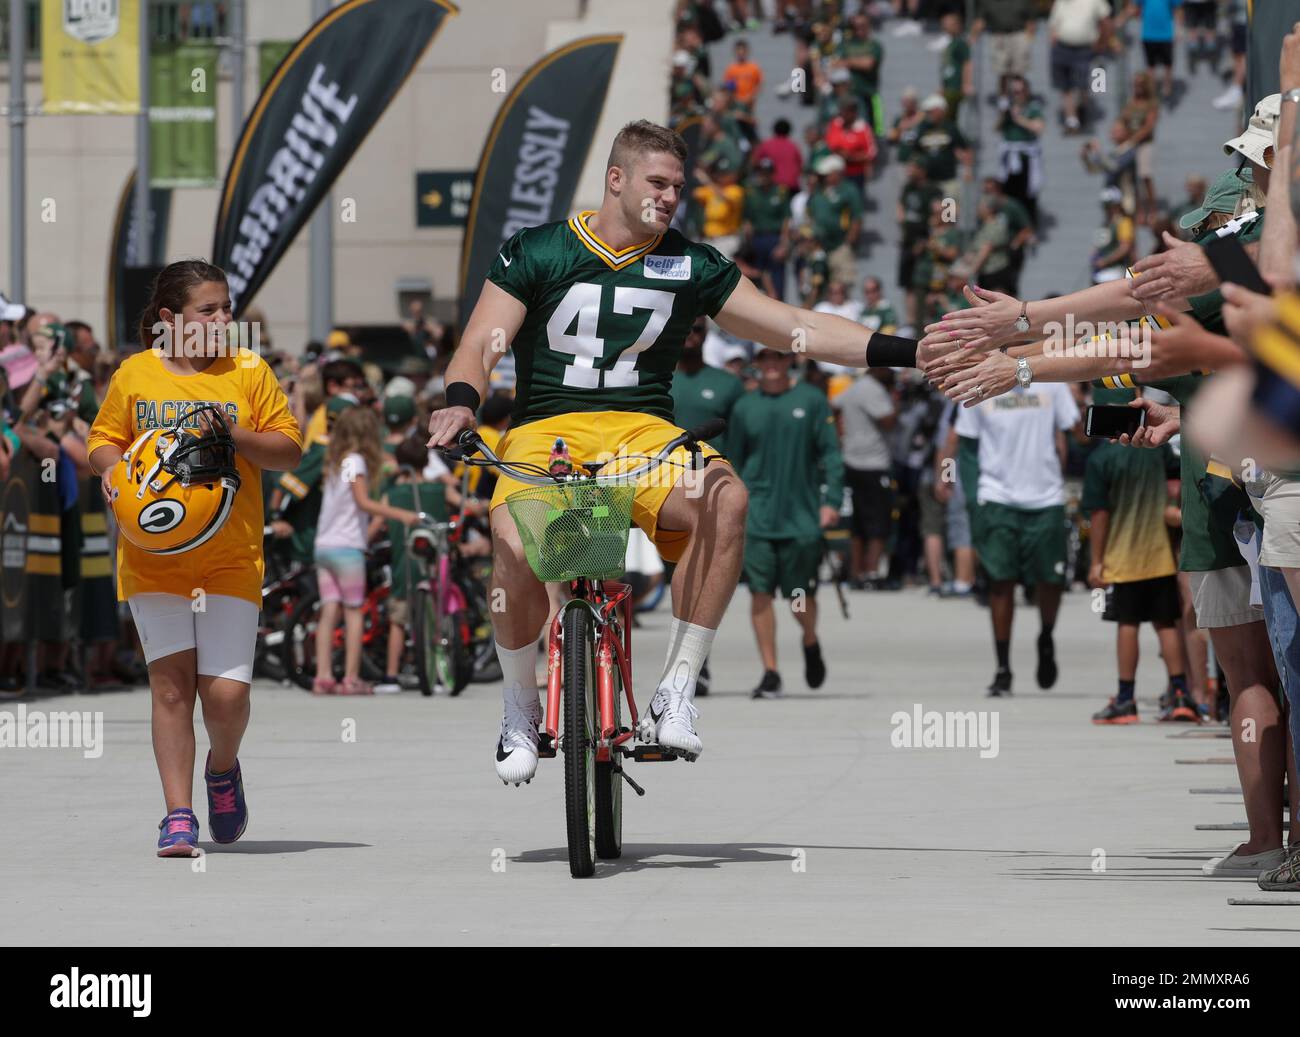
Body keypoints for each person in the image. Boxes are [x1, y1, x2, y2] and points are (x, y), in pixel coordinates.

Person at [426, 119, 923, 785]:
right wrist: (462, 399)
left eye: (678, 187)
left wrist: (911, 351)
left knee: (727, 499)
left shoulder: (691, 262)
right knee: (514, 543)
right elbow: (481, 342)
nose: (669, 197)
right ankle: (520, 704)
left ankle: (676, 690)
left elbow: (795, 327)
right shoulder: (537, 249)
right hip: (549, 429)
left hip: (645, 433)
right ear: (616, 179)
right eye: (656, 183)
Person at [86, 259, 304, 857]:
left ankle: (222, 767)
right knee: (171, 690)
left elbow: (288, 449)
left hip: (231, 557)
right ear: (170, 318)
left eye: (226, 308)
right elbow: (103, 440)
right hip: (153, 559)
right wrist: (112, 474)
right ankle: (177, 815)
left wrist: (231, 434)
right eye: (209, 310)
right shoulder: (135, 374)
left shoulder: (248, 370)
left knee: (226, 696)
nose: (223, 319)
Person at [947, 375, 1080, 697]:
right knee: (1000, 582)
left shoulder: (1052, 380)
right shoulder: (977, 382)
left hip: (1046, 497)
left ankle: (1046, 635)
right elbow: (964, 445)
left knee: (1051, 579)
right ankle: (1003, 668)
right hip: (997, 497)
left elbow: (1071, 432)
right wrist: (970, 498)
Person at [730, 347, 843, 697]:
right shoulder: (745, 407)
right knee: (760, 592)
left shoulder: (811, 400)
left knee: (798, 596)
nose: (772, 365)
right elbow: (732, 462)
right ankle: (771, 671)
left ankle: (809, 638)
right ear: (757, 363)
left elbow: (831, 452)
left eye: (778, 358)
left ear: (788, 361)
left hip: (800, 516)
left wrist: (832, 500)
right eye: (765, 359)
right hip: (758, 517)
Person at [1083, 408, 1192, 724]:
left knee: (1127, 624)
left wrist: (1096, 562)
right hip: (1159, 553)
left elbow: (1099, 514)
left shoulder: (1100, 459)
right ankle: (1181, 695)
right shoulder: (1155, 449)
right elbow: (1175, 480)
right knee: (1166, 623)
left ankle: (1126, 699)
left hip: (1123, 555)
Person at [313, 406, 420, 696]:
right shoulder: (356, 461)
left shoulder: (335, 461)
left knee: (329, 610)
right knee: (353, 611)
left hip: (324, 545)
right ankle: (350, 677)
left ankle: (323, 676)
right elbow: (363, 502)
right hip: (347, 546)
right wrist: (401, 514)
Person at [834, 369, 897, 587]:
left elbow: (834, 405)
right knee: (879, 521)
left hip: (851, 460)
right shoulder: (874, 389)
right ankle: (871, 572)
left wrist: (840, 435)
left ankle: (856, 572)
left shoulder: (855, 387)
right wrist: (895, 400)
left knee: (858, 522)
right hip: (873, 463)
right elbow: (888, 421)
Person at [1048, 0, 1111, 133]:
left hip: (1085, 49)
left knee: (1084, 84)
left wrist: (1102, 44)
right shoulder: (1061, 2)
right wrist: (1053, 41)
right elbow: (1053, 24)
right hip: (1062, 47)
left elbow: (1105, 22)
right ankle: (1072, 121)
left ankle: (1085, 116)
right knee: (1065, 86)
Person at [807, 154, 864, 289]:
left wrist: (849, 242)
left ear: (837, 173)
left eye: (826, 174)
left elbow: (857, 217)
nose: (823, 177)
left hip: (840, 245)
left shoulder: (848, 190)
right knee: (819, 285)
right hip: (819, 246)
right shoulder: (818, 191)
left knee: (841, 285)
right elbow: (811, 214)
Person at [742, 157, 792, 301]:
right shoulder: (751, 192)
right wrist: (747, 239)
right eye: (761, 172)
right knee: (756, 280)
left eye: (767, 172)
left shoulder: (780, 192)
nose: (764, 176)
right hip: (756, 239)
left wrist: (784, 244)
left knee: (777, 282)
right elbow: (747, 218)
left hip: (774, 238)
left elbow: (786, 219)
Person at [751, 118, 804, 192]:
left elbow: (754, 163)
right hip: (792, 185)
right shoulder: (794, 146)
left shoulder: (766, 145)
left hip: (774, 186)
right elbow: (800, 167)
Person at [938, 11, 973, 122]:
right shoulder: (949, 43)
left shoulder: (960, 43)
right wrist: (943, 85)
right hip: (948, 86)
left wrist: (966, 83)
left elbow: (967, 63)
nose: (945, 26)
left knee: (948, 116)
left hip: (955, 86)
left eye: (948, 24)